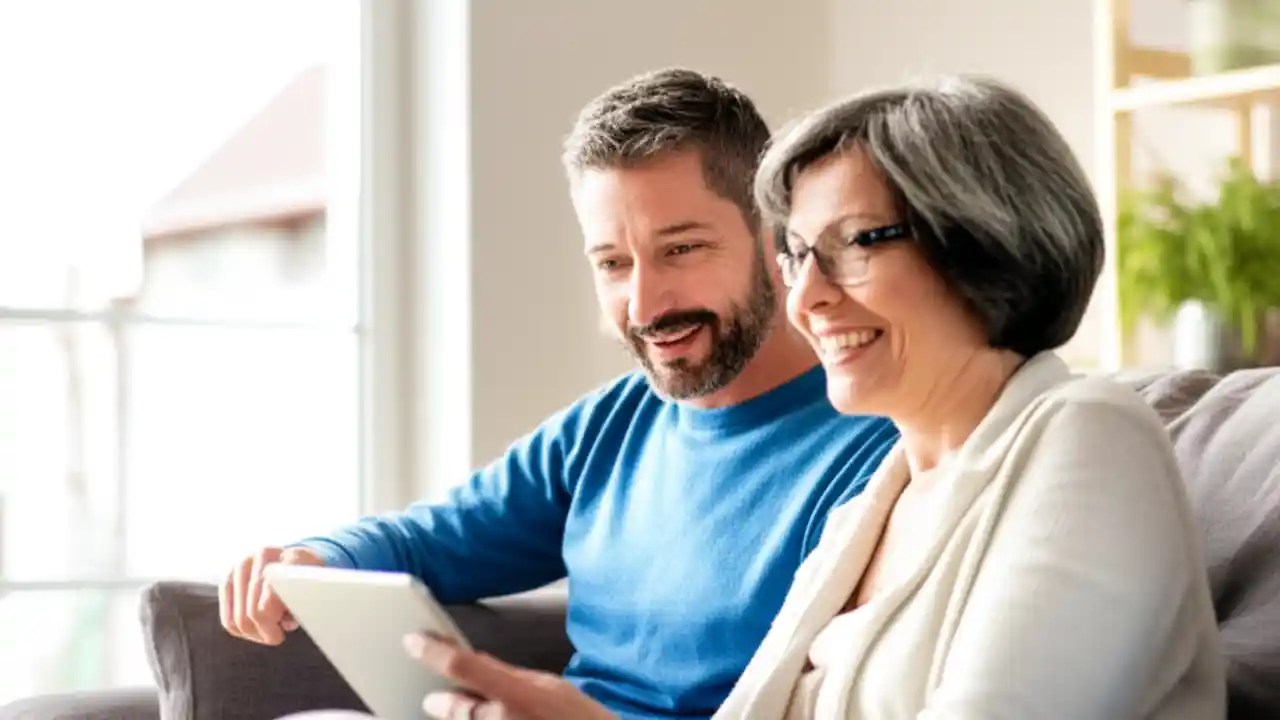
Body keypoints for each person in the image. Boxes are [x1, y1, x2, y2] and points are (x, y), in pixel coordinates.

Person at [403, 76, 1226, 719]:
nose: (805, 298)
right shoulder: (880, 501)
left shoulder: (1089, 436)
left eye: (855, 244)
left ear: (981, 241)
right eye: (798, 254)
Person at [221, 68, 898, 720]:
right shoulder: (609, 427)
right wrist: (317, 558)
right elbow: (430, 541)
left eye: (682, 250)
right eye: (613, 263)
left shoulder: (875, 453)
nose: (644, 305)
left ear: (776, 239)